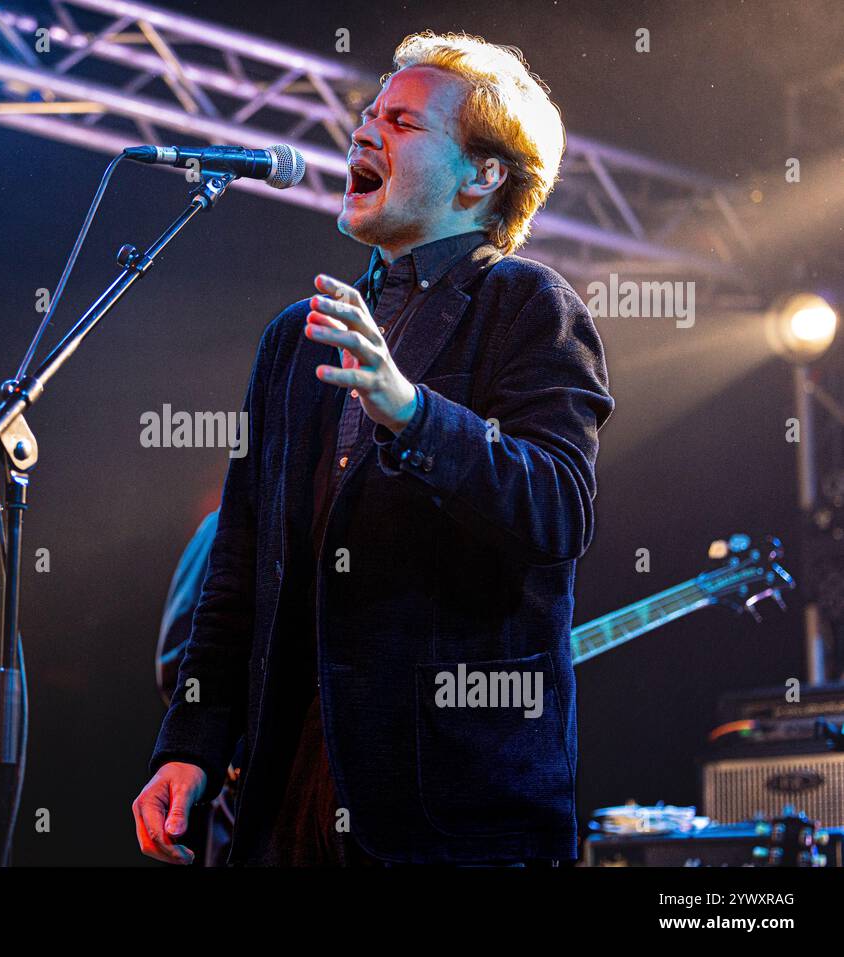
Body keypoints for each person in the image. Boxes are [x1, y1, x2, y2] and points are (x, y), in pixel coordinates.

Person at [133, 31, 614, 866]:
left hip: (453, 811)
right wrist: (191, 742)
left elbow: (559, 509)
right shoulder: (296, 335)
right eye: (366, 114)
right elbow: (237, 568)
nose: (363, 132)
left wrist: (412, 412)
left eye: (401, 121)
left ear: (483, 174)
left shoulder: (528, 303)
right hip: (289, 796)